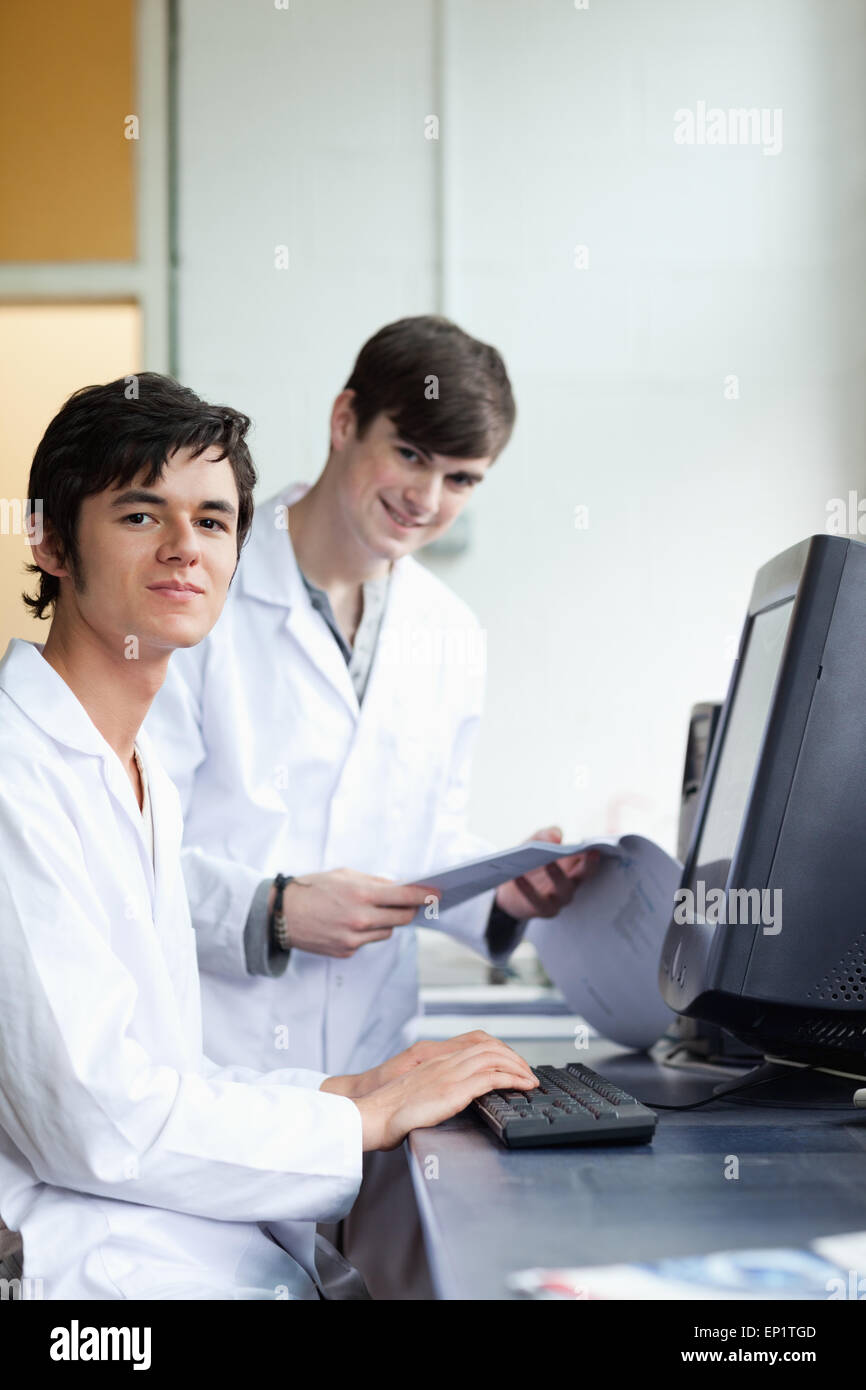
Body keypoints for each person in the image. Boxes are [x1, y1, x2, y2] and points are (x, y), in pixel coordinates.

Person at [0, 372, 537, 1301]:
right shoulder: (18, 773)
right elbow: (96, 1121)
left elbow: (166, 1072)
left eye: (212, 522)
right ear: (47, 539)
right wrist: (362, 1117)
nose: (184, 549)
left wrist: (361, 1089)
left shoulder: (133, 776)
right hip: (84, 1267)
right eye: (140, 515)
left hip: (172, 1214)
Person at [145, 318, 597, 1295]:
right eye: (411, 455)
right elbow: (127, 850)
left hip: (380, 1083)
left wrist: (504, 890)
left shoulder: (450, 631)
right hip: (219, 1079)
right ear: (346, 417)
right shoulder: (198, 593)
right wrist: (271, 908)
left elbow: (422, 836)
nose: (427, 499)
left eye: (462, 479)